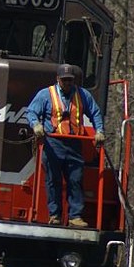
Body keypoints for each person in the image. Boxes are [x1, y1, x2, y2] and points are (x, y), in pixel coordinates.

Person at [25, 64, 106, 227]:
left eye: (70, 80)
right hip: (53, 143)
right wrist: (36, 125)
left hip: (74, 143)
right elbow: (31, 112)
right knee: (53, 180)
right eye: (64, 80)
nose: (68, 83)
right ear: (58, 79)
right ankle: (55, 215)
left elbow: (95, 112)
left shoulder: (83, 95)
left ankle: (75, 216)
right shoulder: (45, 94)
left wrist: (99, 131)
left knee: (75, 179)